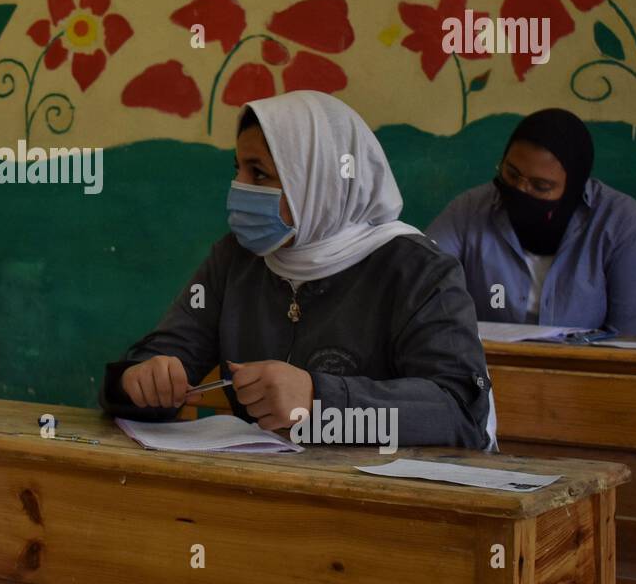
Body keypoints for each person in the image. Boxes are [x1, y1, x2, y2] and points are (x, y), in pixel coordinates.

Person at [100, 91, 493, 451]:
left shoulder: (418, 271)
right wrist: (139, 381)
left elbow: (457, 413)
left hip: (392, 504)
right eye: (237, 169)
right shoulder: (236, 260)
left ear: (318, 181)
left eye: (259, 174)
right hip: (267, 494)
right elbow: (169, 353)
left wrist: (318, 400)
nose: (238, 188)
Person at [427, 108, 636, 336]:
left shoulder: (620, 223)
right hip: (485, 366)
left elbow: (634, 337)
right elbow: (422, 275)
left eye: (540, 186)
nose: (519, 189)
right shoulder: (470, 210)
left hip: (588, 370)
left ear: (572, 187)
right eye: (511, 173)